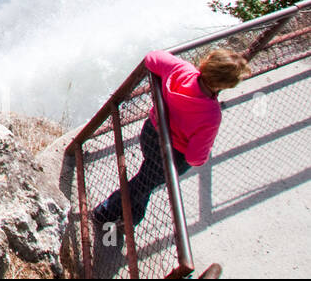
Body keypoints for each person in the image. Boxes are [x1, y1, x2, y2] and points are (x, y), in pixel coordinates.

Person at [92, 47, 249, 230]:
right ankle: (104, 213)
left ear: (206, 62)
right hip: (173, 157)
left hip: (151, 134)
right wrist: (205, 152)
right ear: (225, 85)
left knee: (146, 180)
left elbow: (152, 57)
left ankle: (131, 218)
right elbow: (194, 157)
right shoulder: (211, 115)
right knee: (141, 184)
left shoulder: (182, 71)